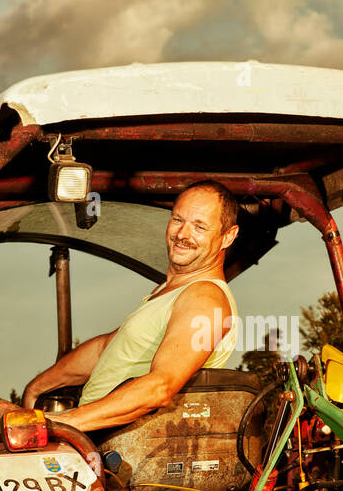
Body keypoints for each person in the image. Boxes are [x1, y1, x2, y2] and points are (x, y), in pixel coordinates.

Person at [22, 180, 239, 432]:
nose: (182, 235)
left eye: (199, 226)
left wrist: (61, 423)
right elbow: (107, 349)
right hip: (99, 436)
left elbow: (161, 386)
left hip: (134, 453)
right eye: (178, 220)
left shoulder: (204, 298)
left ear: (228, 236)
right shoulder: (168, 293)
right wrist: (37, 388)